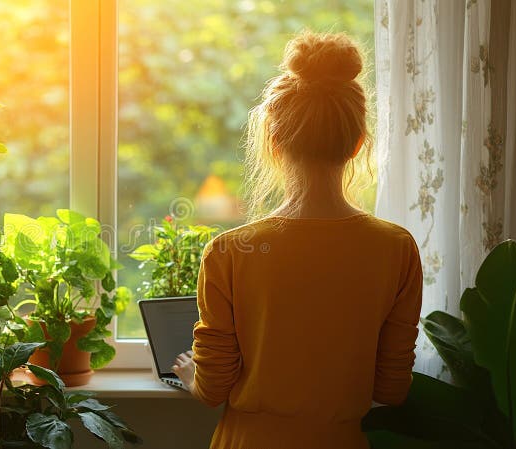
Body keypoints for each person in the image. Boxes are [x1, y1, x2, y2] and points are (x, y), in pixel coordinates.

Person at [171, 31, 423, 449]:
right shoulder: (397, 248)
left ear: (273, 141)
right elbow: (392, 390)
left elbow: (211, 391)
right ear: (359, 143)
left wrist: (189, 374)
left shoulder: (231, 251)